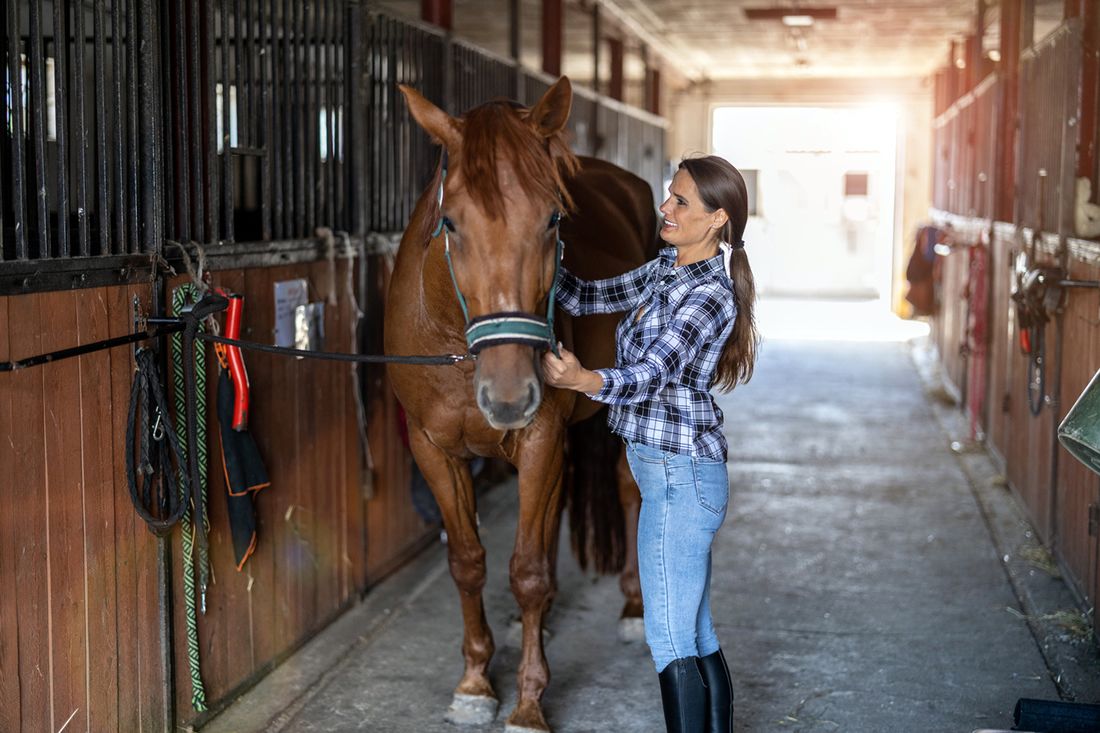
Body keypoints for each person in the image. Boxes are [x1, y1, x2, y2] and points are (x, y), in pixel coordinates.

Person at [543, 155, 758, 733]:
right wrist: (543, 237)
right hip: (666, 472)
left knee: (668, 639)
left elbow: (650, 375)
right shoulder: (666, 268)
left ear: (717, 221)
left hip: (681, 477)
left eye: (681, 201)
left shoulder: (710, 296)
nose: (665, 208)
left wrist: (582, 380)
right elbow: (587, 299)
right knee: (696, 631)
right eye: (669, 195)